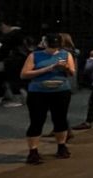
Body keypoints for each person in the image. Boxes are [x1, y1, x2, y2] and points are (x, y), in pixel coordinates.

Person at [20, 33, 76, 164]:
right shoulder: (35, 55)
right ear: (45, 44)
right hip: (38, 91)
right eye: (51, 46)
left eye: (55, 47)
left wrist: (66, 68)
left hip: (60, 90)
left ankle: (61, 146)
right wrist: (48, 68)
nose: (53, 50)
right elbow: (24, 74)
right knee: (37, 120)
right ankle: (33, 151)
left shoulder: (65, 55)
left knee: (60, 119)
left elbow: (72, 72)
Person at [0, 22, 28, 108]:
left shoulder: (11, 35)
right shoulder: (22, 34)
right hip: (21, 59)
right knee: (19, 80)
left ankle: (17, 100)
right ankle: (22, 97)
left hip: (13, 59)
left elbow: (4, 49)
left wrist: (1, 56)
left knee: (13, 79)